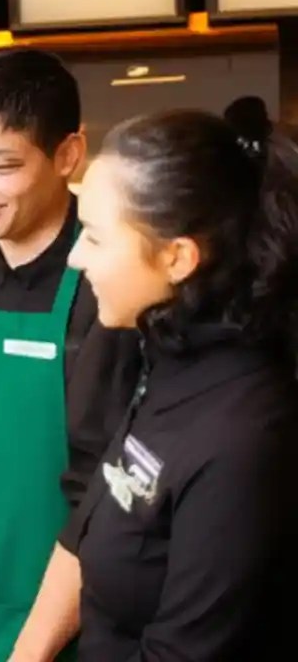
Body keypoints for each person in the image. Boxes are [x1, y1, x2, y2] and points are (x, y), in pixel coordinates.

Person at [32, 109, 298, 660]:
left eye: (97, 240)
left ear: (177, 257)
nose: (77, 258)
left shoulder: (245, 435)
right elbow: (95, 519)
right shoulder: (161, 356)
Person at [0, 49, 140, 662]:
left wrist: (36, 646)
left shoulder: (106, 286)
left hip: (61, 621)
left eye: (0, 166)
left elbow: (104, 494)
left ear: (68, 155)